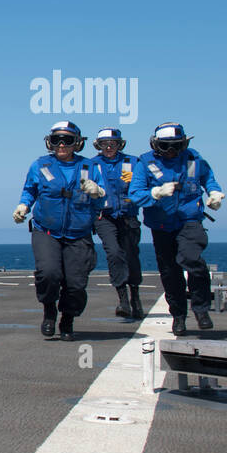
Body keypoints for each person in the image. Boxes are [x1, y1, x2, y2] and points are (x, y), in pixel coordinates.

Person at [13, 121, 107, 341]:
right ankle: (49, 310)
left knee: (76, 283)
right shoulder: (40, 166)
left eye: (67, 140)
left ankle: (68, 318)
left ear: (77, 143)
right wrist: (23, 206)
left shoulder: (90, 167)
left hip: (78, 233)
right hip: (46, 230)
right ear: (50, 142)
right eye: (57, 140)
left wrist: (97, 192)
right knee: (48, 273)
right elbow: (30, 190)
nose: (62, 145)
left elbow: (102, 200)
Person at [127, 123, 223, 336]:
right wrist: (156, 193)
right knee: (170, 273)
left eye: (176, 146)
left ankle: (201, 309)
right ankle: (179, 315)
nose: (171, 151)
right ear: (156, 145)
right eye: (165, 146)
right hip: (161, 225)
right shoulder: (145, 162)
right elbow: (135, 193)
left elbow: (209, 179)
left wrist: (215, 193)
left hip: (189, 220)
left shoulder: (193, 159)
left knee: (193, 261)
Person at [89, 127, 145, 319]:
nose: (109, 147)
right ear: (99, 145)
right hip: (104, 217)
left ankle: (135, 298)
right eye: (105, 144)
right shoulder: (91, 165)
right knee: (114, 252)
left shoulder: (134, 162)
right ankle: (123, 300)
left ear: (119, 144)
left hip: (128, 217)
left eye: (112, 144)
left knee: (131, 256)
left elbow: (144, 186)